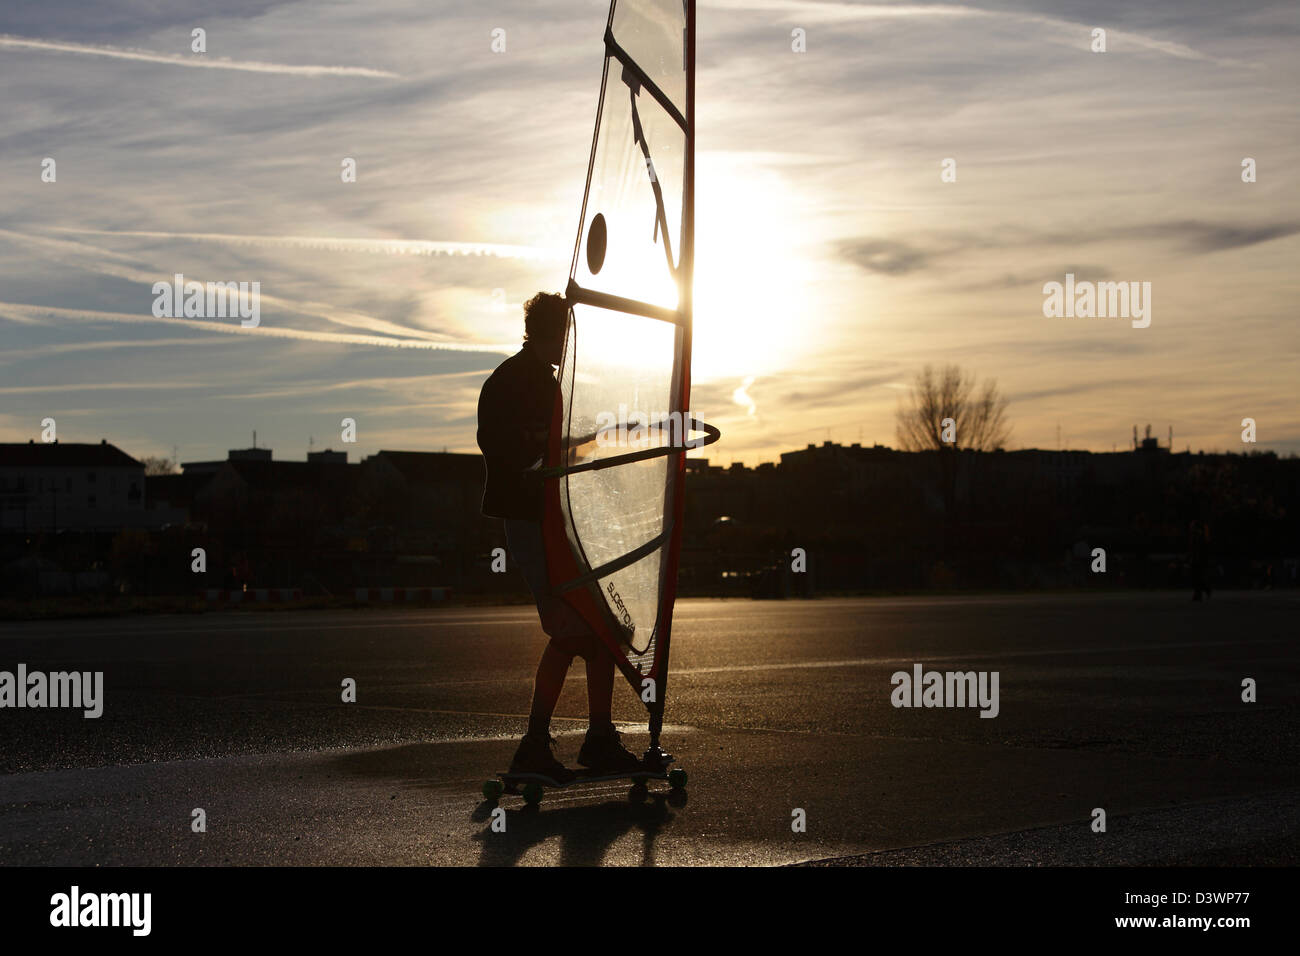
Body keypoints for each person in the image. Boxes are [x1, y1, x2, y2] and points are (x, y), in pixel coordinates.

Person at [476, 291, 642, 781]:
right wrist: (559, 454)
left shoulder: (543, 382)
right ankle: (532, 747)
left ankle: (598, 739)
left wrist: (594, 440)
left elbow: (552, 450)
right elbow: (506, 449)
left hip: (551, 519)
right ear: (553, 332)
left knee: (600, 630)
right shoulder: (511, 381)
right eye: (567, 334)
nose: (570, 345)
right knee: (570, 630)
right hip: (530, 520)